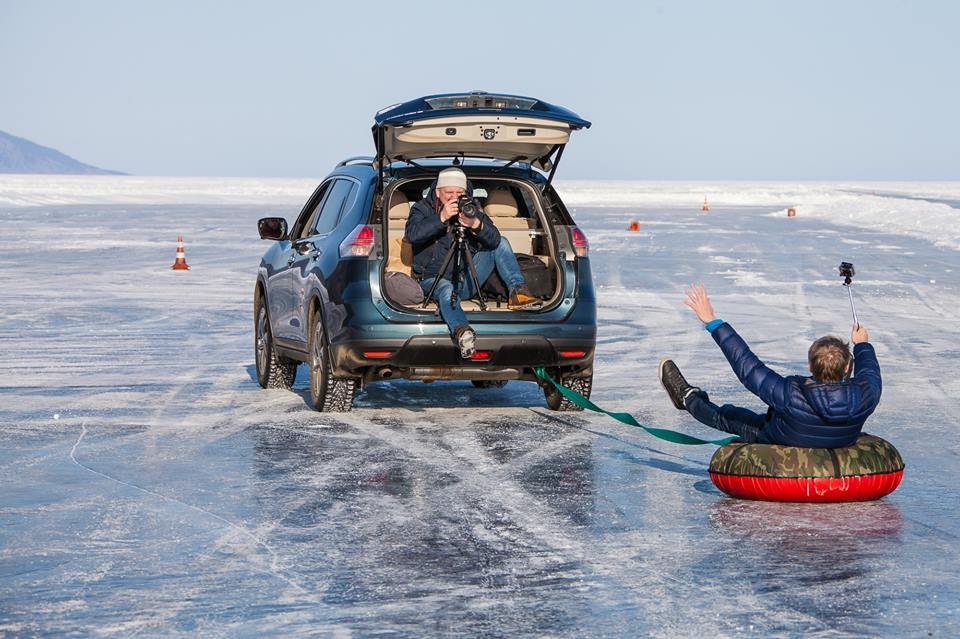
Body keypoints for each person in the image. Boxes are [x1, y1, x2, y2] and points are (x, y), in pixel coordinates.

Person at [658, 283, 882, 447]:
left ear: (810, 366)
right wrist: (862, 345)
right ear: (846, 368)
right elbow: (869, 370)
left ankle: (688, 398)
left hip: (782, 440)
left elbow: (748, 367)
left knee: (728, 417)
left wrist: (713, 322)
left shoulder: (791, 394)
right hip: (840, 440)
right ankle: (689, 398)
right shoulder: (865, 395)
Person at [405, 167, 539, 358]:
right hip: (432, 279)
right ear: (437, 192)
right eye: (449, 193)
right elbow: (413, 235)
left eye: (459, 193)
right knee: (446, 290)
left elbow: (494, 239)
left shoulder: (472, 209)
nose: (454, 197)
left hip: (466, 278)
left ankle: (519, 292)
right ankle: (462, 331)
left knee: (501, 243)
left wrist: (476, 225)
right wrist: (441, 217)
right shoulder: (422, 208)